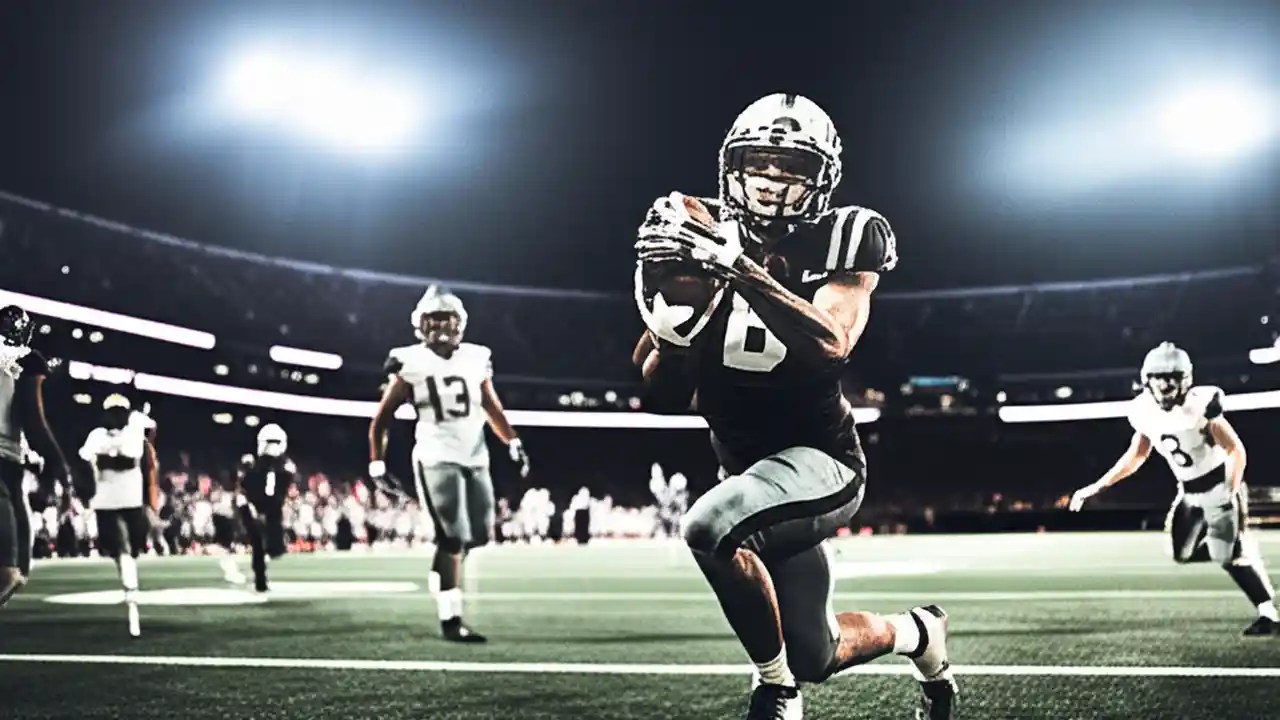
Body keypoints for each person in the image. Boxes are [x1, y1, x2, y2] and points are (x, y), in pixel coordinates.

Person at [633, 94, 955, 719]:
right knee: (816, 651)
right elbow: (663, 392)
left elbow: (831, 343)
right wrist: (673, 333)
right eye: (761, 160)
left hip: (823, 461)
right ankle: (920, 633)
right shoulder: (695, 227)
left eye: (793, 168)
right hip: (749, 475)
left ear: (823, 178)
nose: (774, 179)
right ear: (732, 163)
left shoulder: (847, 233)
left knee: (707, 526)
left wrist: (738, 269)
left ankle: (775, 691)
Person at [1070, 341, 1278, 636]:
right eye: (1160, 378)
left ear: (1186, 380)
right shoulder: (1142, 410)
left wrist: (1229, 490)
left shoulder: (1200, 407)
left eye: (1173, 378)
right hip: (1189, 494)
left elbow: (1235, 450)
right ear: (1147, 381)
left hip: (1219, 486)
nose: (1166, 385)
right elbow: (1137, 455)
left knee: (1229, 559)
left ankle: (1268, 613)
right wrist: (1097, 486)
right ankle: (1232, 546)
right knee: (1180, 553)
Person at [369, 286, 530, 643]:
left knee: (480, 535)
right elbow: (382, 419)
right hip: (435, 455)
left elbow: (491, 406)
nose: (441, 326)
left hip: (475, 456)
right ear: (420, 324)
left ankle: (442, 569)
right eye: (434, 319)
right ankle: (450, 617)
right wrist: (376, 463)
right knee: (453, 538)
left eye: (448, 319)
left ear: (461, 324)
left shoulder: (476, 357)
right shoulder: (408, 361)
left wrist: (512, 440)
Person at [0, 305, 70, 609]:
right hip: (3, 458)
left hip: (9, 461)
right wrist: (58, 464)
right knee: (9, 572)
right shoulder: (23, 359)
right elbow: (32, 418)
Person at [78, 393, 158, 637]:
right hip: (105, 501)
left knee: (134, 546)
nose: (115, 416)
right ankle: (129, 586)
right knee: (118, 547)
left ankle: (128, 575)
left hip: (132, 500)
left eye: (120, 411)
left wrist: (106, 457)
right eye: (111, 411)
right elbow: (89, 459)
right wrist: (111, 458)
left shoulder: (133, 434)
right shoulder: (96, 435)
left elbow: (128, 460)